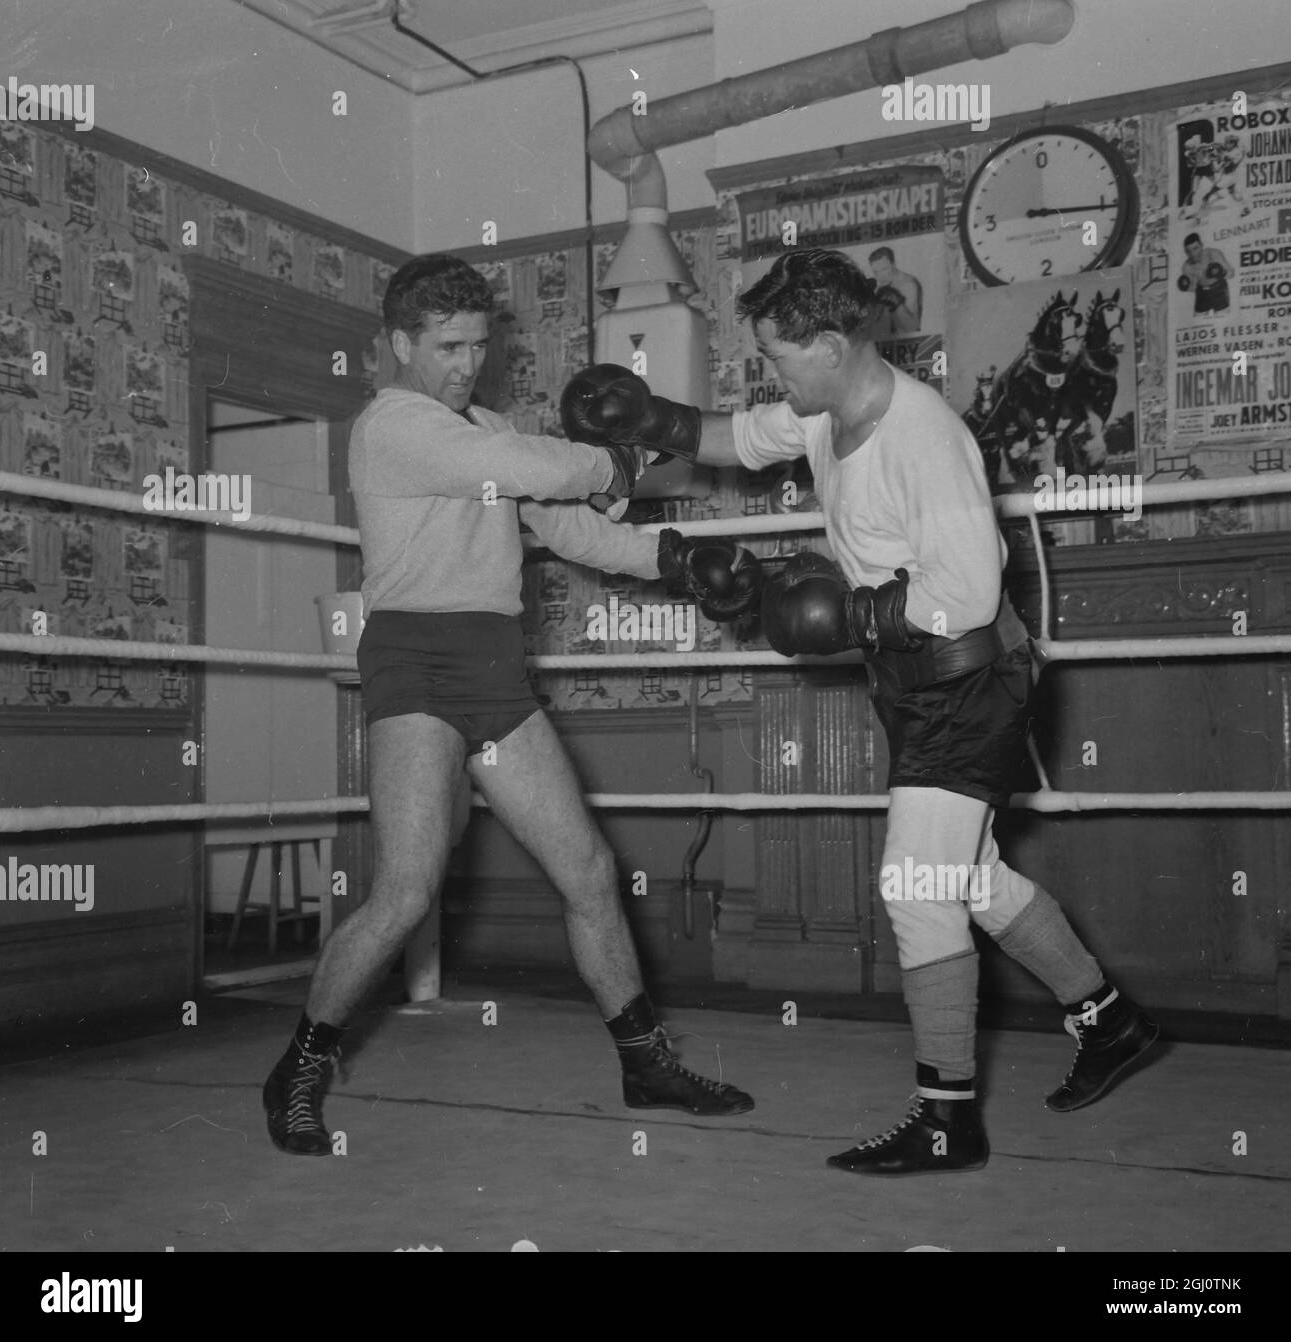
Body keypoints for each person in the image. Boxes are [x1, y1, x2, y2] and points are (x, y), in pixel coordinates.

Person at [586, 249, 1160, 1176]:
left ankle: (947, 1117)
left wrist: (845, 615)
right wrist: (651, 417)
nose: (770, 371)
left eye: (777, 355)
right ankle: (1110, 1021)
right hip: (916, 680)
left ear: (829, 342)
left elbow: (969, 593)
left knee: (915, 887)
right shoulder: (827, 411)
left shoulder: (922, 435)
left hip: (969, 679)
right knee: (968, 879)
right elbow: (739, 437)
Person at [263, 254, 760, 1156]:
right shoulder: (392, 427)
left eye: (480, 346)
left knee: (588, 870)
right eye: (448, 346)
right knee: (408, 887)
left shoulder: (486, 425)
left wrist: (678, 563)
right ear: (399, 343)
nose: (466, 364)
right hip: (414, 663)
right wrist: (630, 450)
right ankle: (299, 1069)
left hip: (493, 669)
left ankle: (646, 1062)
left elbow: (570, 526)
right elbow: (521, 463)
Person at [1178, 234, 1234, 315]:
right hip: (1202, 293)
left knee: (1224, 317)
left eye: (1195, 248)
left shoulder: (1214, 254)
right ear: (1185, 252)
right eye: (1188, 251)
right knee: (1198, 319)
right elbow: (1193, 287)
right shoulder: (1186, 267)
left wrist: (1220, 272)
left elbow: (1231, 273)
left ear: (1201, 245)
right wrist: (1185, 287)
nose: (1192, 253)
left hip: (1219, 290)